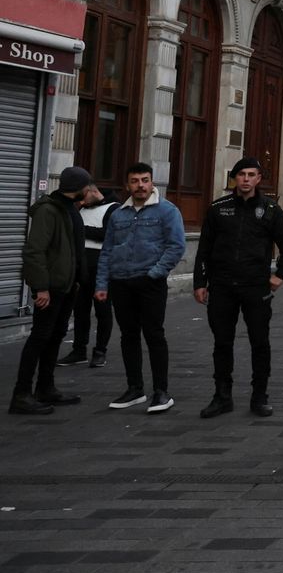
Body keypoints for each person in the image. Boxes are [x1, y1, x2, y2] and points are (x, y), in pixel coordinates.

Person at [194, 158, 283, 419]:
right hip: (222, 285)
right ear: (235, 178)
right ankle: (222, 396)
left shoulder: (270, 209)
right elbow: (204, 248)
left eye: (252, 175)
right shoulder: (218, 208)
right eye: (242, 174)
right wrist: (200, 283)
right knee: (222, 342)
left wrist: (280, 275)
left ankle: (259, 396)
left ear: (259, 178)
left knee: (259, 342)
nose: (246, 179)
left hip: (256, 285)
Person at [97, 163, 186, 413]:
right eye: (135, 181)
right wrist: (102, 283)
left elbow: (176, 246)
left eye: (145, 180)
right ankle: (135, 388)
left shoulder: (167, 211)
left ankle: (161, 392)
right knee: (128, 336)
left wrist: (154, 274)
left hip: (150, 283)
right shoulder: (118, 214)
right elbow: (107, 250)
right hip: (121, 282)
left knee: (154, 335)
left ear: (152, 182)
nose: (140, 186)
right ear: (127, 185)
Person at [12, 166, 93, 414]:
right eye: (86, 185)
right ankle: (21, 395)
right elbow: (34, 251)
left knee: (56, 335)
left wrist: (77, 280)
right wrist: (41, 288)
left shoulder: (70, 209)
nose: (89, 189)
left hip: (67, 286)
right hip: (51, 287)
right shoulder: (49, 210)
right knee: (40, 337)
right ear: (78, 187)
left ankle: (45, 387)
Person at [60, 183, 118, 368]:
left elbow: (108, 234)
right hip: (81, 268)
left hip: (101, 268)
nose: (81, 200)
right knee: (80, 311)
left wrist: (80, 229)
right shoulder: (82, 208)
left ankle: (100, 351)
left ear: (93, 191)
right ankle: (79, 350)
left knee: (102, 311)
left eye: (83, 196)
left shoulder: (114, 208)